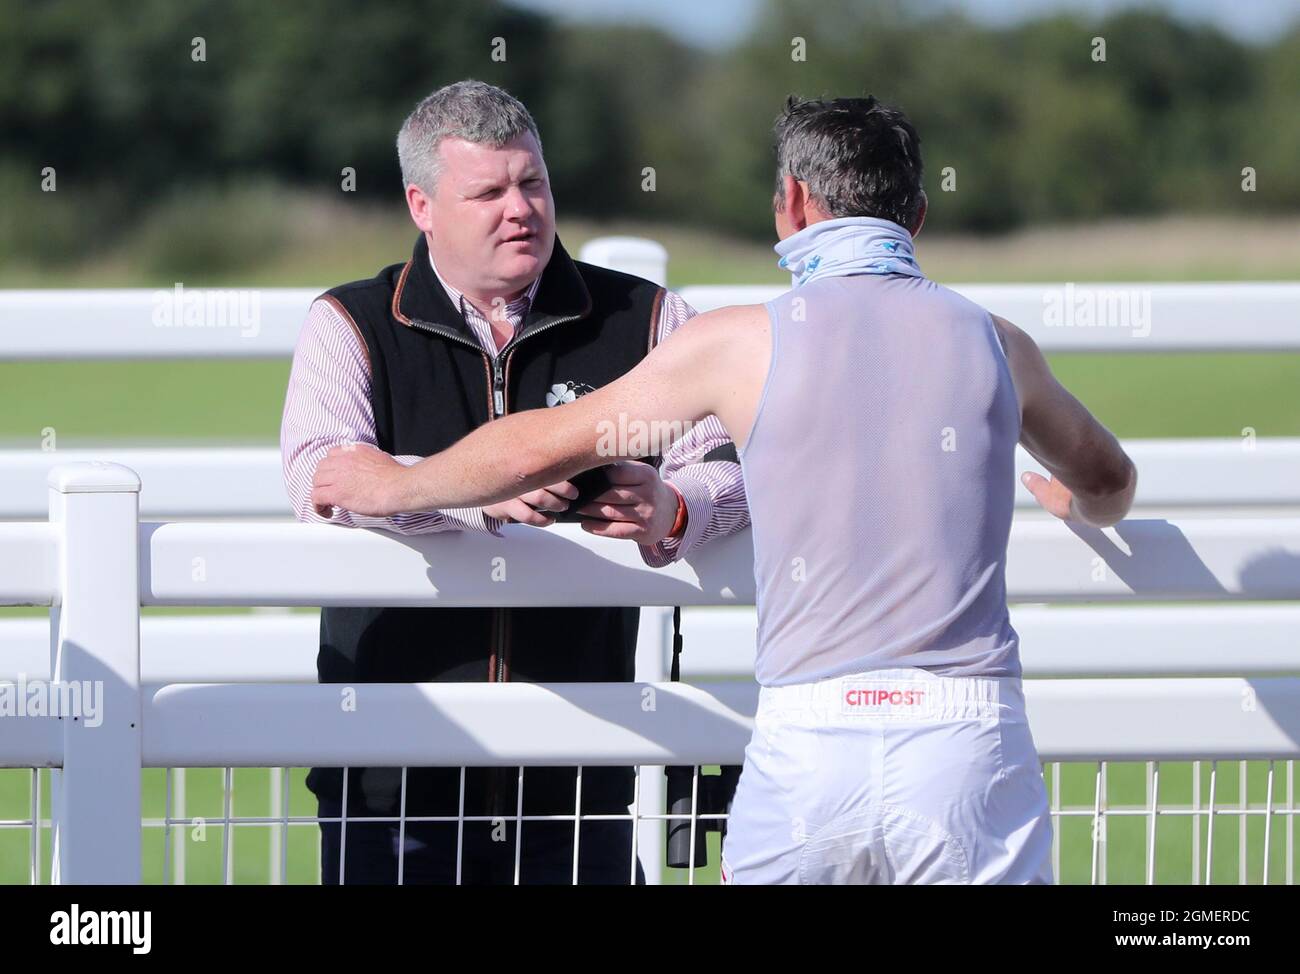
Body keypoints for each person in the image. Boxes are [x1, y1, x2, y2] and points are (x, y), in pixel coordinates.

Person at [311, 93, 1137, 885]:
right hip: (968, 733)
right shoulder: (998, 342)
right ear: (918, 216)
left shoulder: (740, 343)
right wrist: (1076, 505)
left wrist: (395, 484)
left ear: (792, 205)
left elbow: (537, 450)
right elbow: (1109, 478)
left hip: (813, 737)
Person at [280, 80, 748, 884]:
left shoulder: (647, 318)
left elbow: (732, 468)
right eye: (488, 191)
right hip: (390, 776)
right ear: (421, 205)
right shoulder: (349, 319)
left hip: (587, 774)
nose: (520, 208)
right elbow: (322, 472)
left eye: (532, 182)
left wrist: (673, 509)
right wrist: (473, 491)